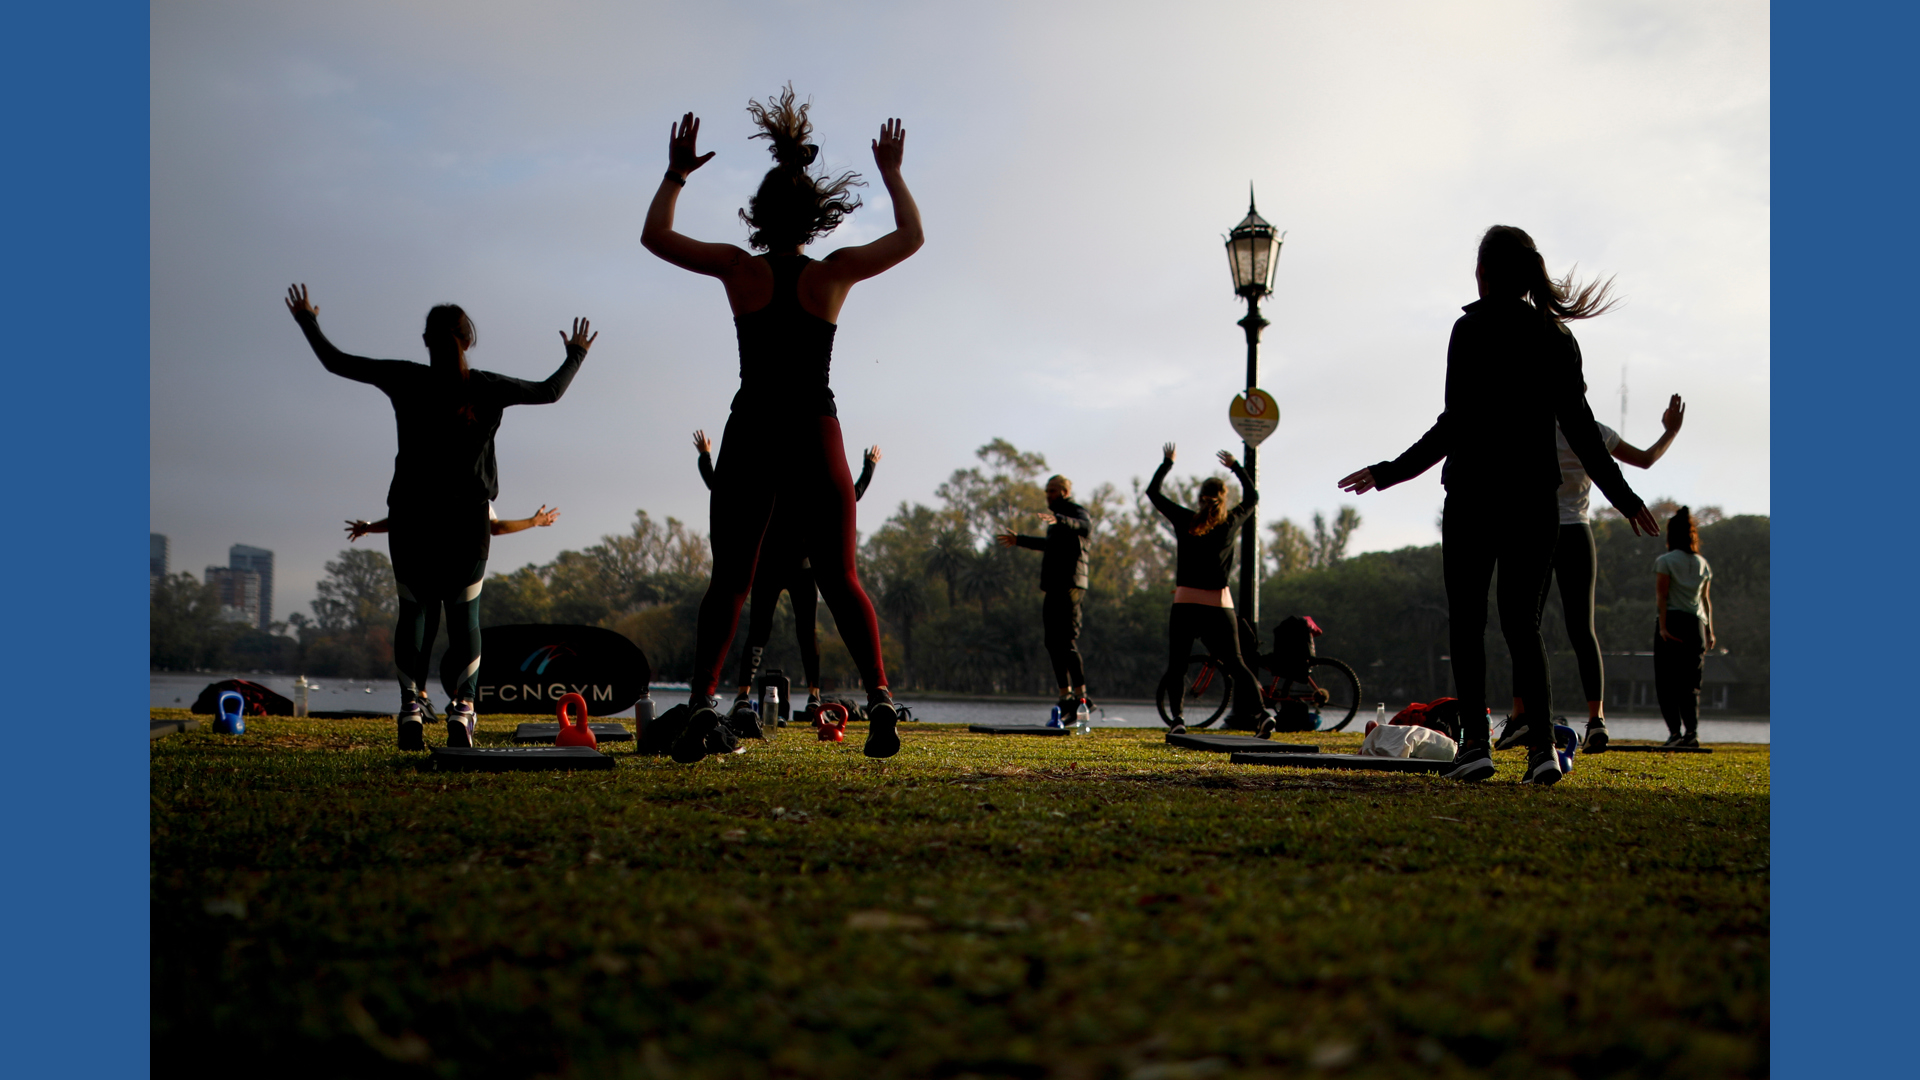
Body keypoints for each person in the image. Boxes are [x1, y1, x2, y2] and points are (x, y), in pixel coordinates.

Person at [640, 87, 922, 762]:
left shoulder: (740, 269)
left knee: (732, 580)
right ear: (816, 214)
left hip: (754, 428)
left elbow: (655, 236)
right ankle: (880, 699)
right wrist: (891, 174)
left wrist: (676, 174)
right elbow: (912, 237)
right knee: (841, 577)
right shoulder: (834, 274)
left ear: (758, 214)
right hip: (816, 429)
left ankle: (705, 705)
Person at [1338, 226, 1659, 786]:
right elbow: (1582, 431)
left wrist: (1389, 473)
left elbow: (1453, 425)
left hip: (1474, 497)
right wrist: (1624, 496)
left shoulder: (1470, 329)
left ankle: (1476, 748)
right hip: (1536, 502)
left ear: (1484, 274)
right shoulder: (1556, 339)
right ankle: (1539, 750)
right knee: (1523, 627)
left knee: (1468, 622)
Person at [285, 284, 594, 751]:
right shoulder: (487, 387)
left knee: (414, 609)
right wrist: (575, 354)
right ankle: (463, 710)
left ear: (426, 341)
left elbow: (336, 361)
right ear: (466, 340)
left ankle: (411, 705)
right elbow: (550, 392)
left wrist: (307, 320)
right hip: (466, 520)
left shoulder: (404, 378)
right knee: (463, 613)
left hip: (410, 514)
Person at [1528, 393, 1687, 753]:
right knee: (1583, 630)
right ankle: (1596, 720)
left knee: (1525, 625)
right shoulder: (1595, 431)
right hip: (1577, 534)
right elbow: (1645, 460)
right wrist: (1670, 432)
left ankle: (1522, 714)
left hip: (1537, 530)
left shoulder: (1530, 429)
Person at [694, 429, 879, 713]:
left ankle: (808, 695)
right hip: (781, 569)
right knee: (767, 632)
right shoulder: (781, 481)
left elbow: (719, 486)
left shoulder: (779, 482)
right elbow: (850, 495)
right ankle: (749, 695)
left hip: (792, 570)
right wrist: (869, 467)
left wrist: (706, 456)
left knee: (798, 633)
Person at [1145, 444, 1269, 733]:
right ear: (1223, 498)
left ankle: (1177, 720)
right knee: (1238, 665)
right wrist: (1237, 467)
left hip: (1186, 602)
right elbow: (1253, 497)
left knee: (1178, 665)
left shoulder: (1186, 519)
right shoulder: (1231, 523)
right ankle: (1262, 714)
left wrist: (1167, 463)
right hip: (1219, 605)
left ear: (1201, 498)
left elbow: (1153, 493)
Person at [995, 475, 1094, 716]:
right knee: (1052, 642)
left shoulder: (1075, 513)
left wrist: (1059, 519)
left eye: (1052, 491)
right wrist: (1020, 540)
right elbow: (1048, 545)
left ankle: (1082, 699)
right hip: (1053, 585)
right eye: (1047, 491)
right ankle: (1065, 696)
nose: (1048, 495)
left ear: (1065, 491)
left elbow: (1085, 526)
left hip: (1071, 584)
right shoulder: (1056, 523)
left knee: (1067, 640)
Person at [1654, 506, 1714, 747]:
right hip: (1697, 625)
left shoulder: (1665, 561)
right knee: (1691, 684)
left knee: (1666, 682)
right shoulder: (1702, 563)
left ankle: (1675, 734)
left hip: (1674, 622)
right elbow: (1705, 601)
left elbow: (1662, 597)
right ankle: (1692, 733)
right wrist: (1709, 631)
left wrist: (1663, 628)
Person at [344, 503, 561, 541]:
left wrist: (368, 528)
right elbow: (495, 529)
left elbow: (400, 522)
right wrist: (533, 522)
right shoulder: (475, 496)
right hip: (460, 574)